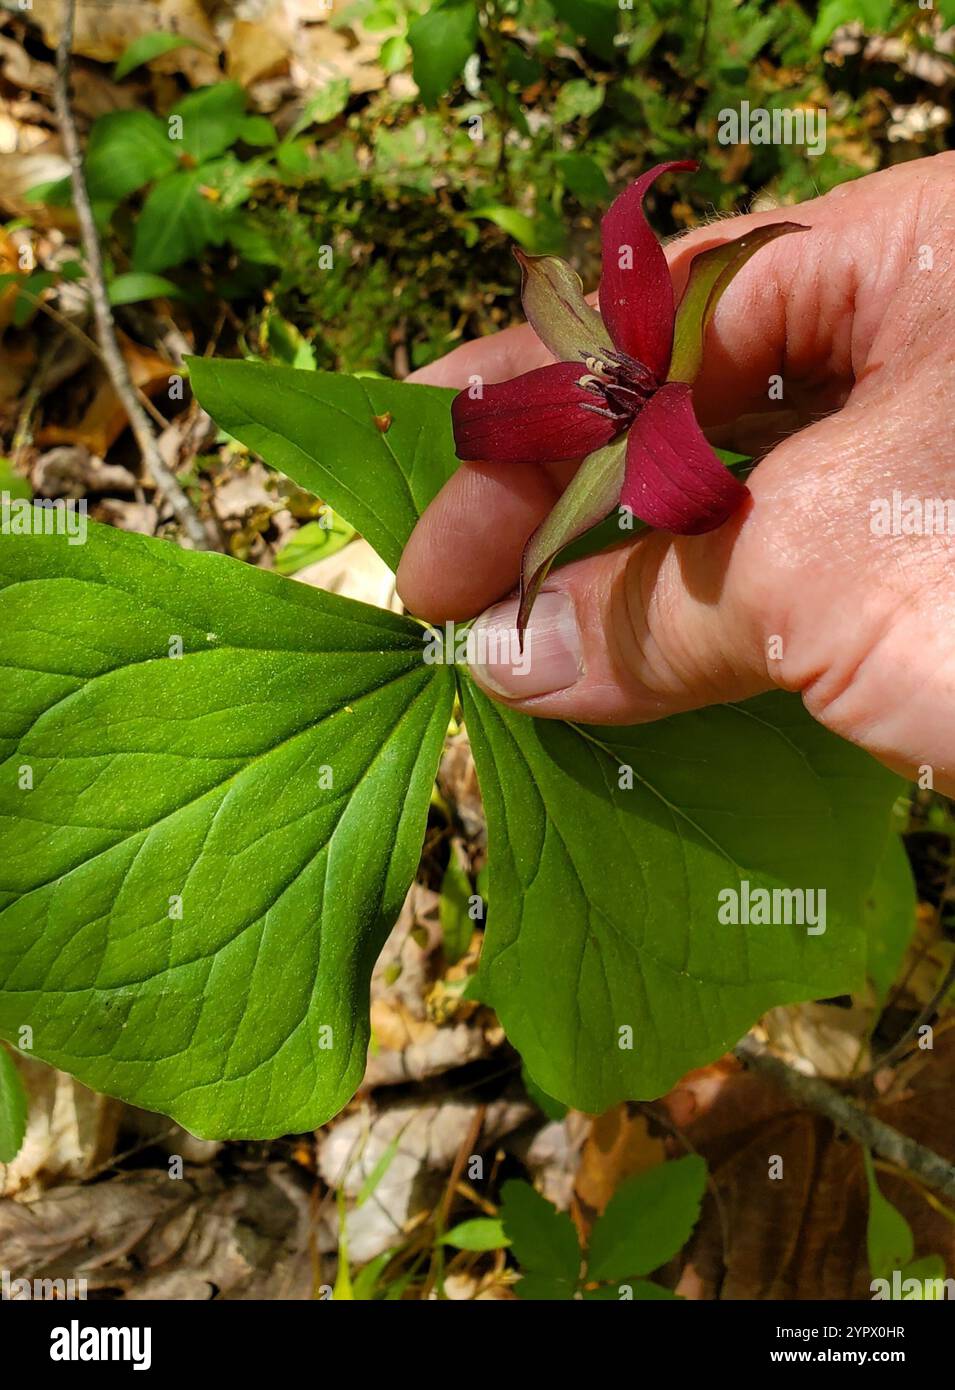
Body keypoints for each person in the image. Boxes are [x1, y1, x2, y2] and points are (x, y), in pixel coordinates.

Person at [397, 154, 955, 794]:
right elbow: (480, 422)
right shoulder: (624, 411)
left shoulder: (650, 406)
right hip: (634, 418)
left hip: (649, 400)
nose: (599, 378)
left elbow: (698, 497)